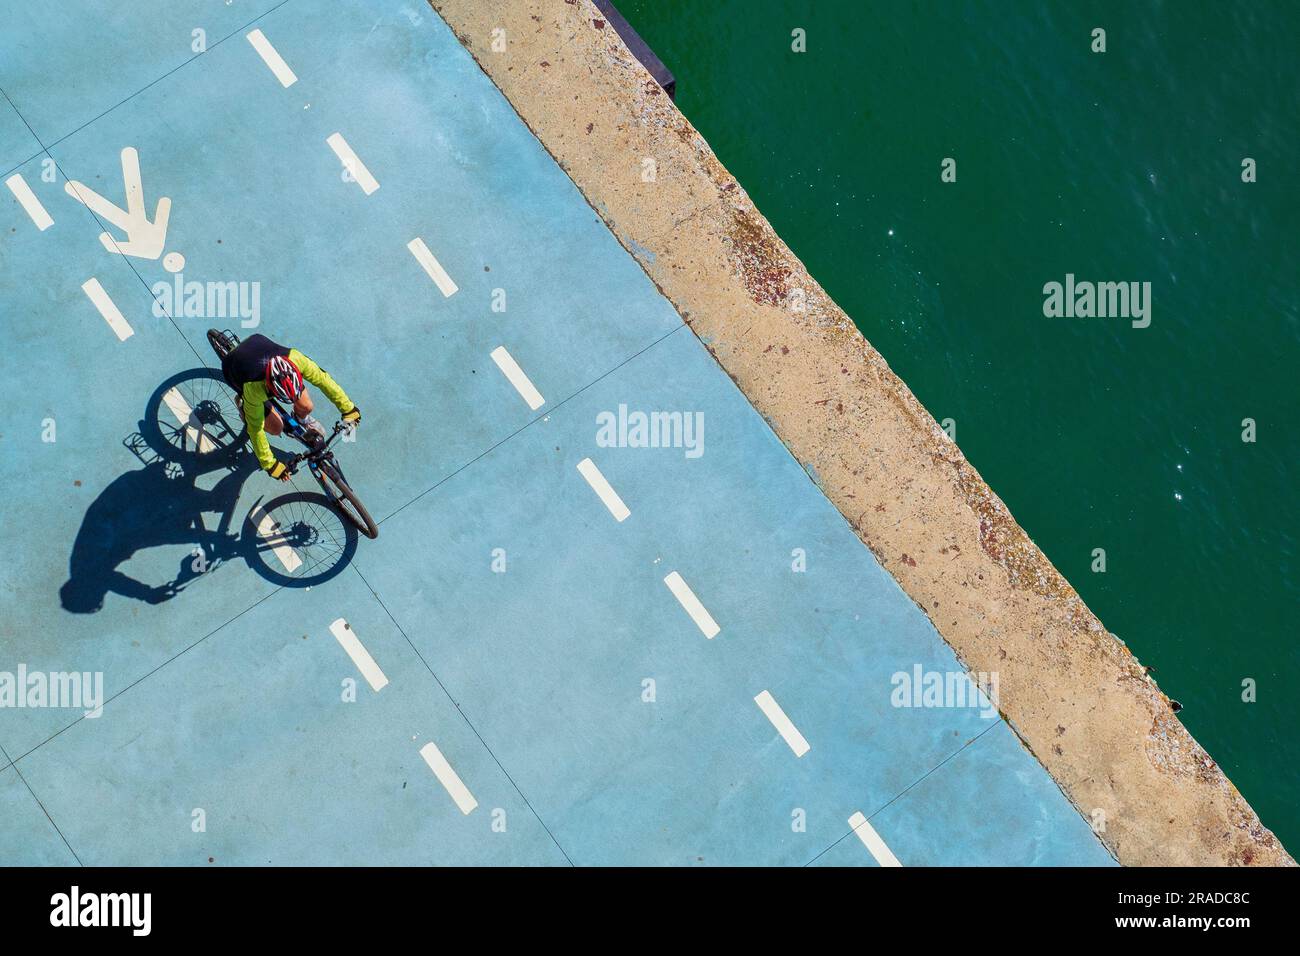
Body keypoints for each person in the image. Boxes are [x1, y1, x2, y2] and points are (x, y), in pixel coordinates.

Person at [220, 333, 361, 480]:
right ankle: (243, 406)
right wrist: (270, 464)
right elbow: (255, 429)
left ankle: (301, 419)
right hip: (233, 368)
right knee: (275, 428)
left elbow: (323, 380)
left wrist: (348, 409)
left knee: (306, 405)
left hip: (257, 345)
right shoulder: (254, 389)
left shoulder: (296, 358)